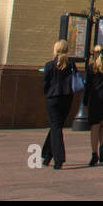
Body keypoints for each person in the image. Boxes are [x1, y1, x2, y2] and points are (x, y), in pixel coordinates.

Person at [41, 39, 80, 169]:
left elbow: (45, 84)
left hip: (53, 98)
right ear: (67, 50)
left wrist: (48, 92)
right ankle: (47, 155)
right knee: (56, 126)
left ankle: (59, 158)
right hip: (67, 98)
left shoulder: (49, 65)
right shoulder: (71, 65)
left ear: (55, 50)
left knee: (56, 127)